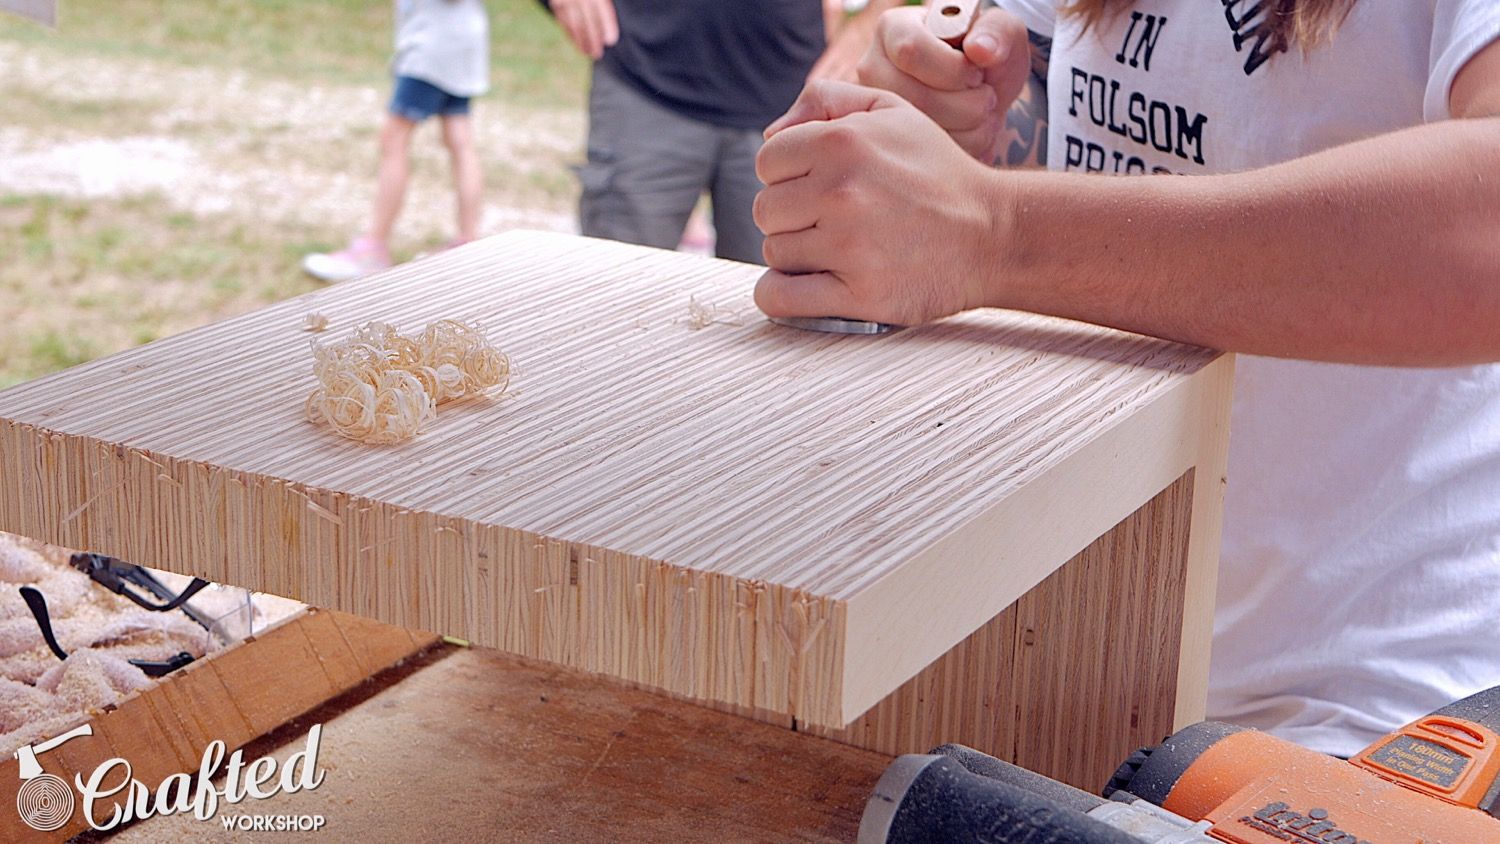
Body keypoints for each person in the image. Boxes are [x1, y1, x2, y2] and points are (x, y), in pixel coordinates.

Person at [753, 0, 1500, 757]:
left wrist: (996, 229)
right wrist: (952, 109)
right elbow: (1048, 124)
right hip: (1096, 666)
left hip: (1368, 712)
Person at [541, 0, 902, 264]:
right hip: (645, 81)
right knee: (614, 300)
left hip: (789, 99)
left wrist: (867, 27)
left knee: (779, 325)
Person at [303, 0, 490, 283]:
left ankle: (373, 249)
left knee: (394, 137)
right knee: (459, 139)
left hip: (432, 46)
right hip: (461, 41)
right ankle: (468, 242)